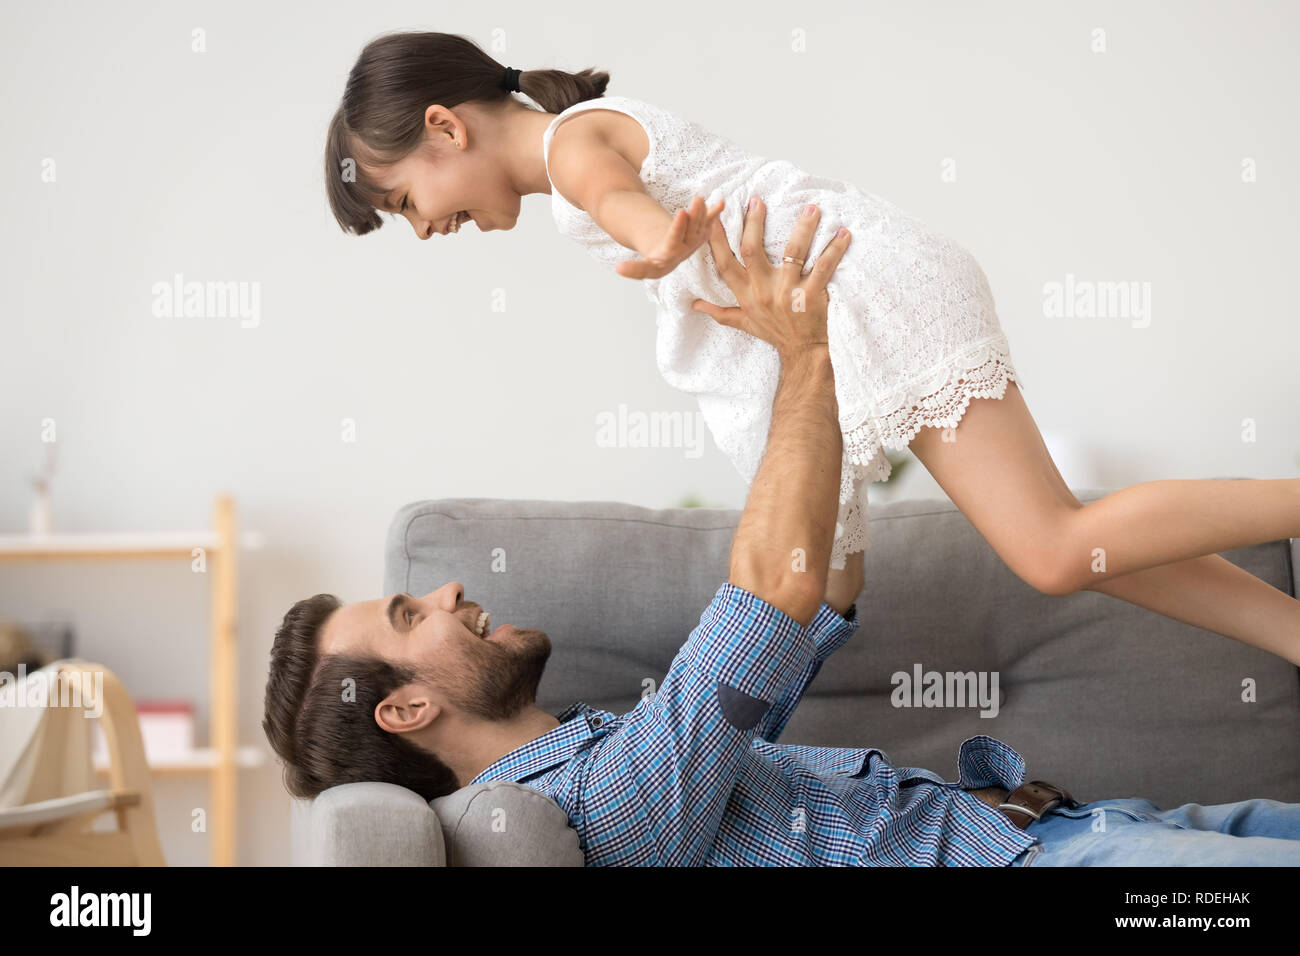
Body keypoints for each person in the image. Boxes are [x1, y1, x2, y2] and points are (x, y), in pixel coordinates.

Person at [265, 198, 1300, 866]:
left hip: (1065, 820)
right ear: (403, 706)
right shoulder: (597, 814)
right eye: (411, 612)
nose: (448, 592)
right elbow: (772, 595)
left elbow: (825, 587)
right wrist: (802, 358)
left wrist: (819, 378)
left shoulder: (612, 743)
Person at [322, 32, 1300, 665]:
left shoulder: (575, 149)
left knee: (1045, 545)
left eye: (407, 200)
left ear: (444, 128)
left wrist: (659, 243)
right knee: (1064, 543)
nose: (423, 227)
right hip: (851, 306)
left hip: (869, 291)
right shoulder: (572, 163)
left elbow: (618, 200)